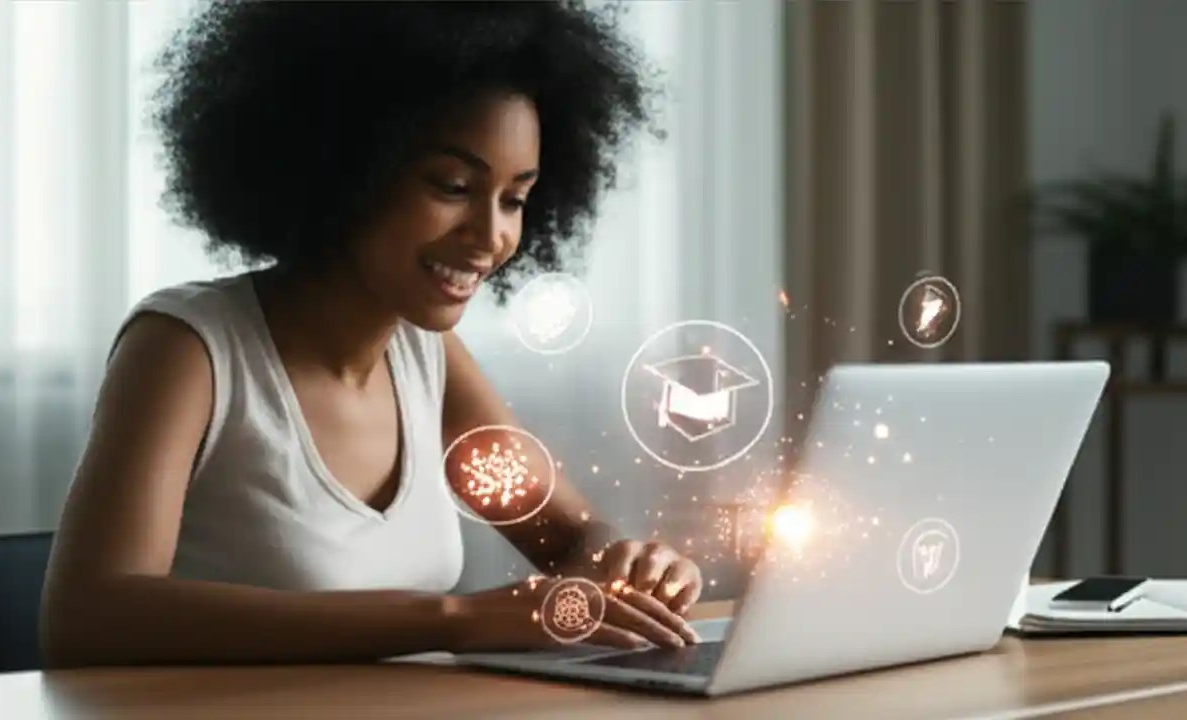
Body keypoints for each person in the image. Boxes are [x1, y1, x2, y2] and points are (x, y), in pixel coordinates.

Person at [40, 1, 703, 667]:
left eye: (514, 199)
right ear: (345, 167)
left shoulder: (427, 358)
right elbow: (90, 615)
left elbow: (565, 540)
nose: (492, 237)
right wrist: (457, 619)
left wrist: (627, 565)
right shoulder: (189, 349)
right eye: (452, 186)